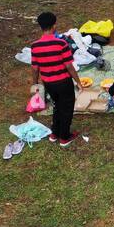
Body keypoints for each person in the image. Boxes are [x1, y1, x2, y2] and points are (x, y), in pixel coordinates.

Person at [30, 11, 84, 147]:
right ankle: (65, 137)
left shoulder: (35, 46)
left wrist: (35, 84)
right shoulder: (61, 44)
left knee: (57, 106)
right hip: (63, 82)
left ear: (40, 27)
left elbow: (35, 68)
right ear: (54, 26)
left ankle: (54, 133)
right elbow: (69, 66)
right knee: (67, 107)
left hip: (48, 82)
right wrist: (78, 82)